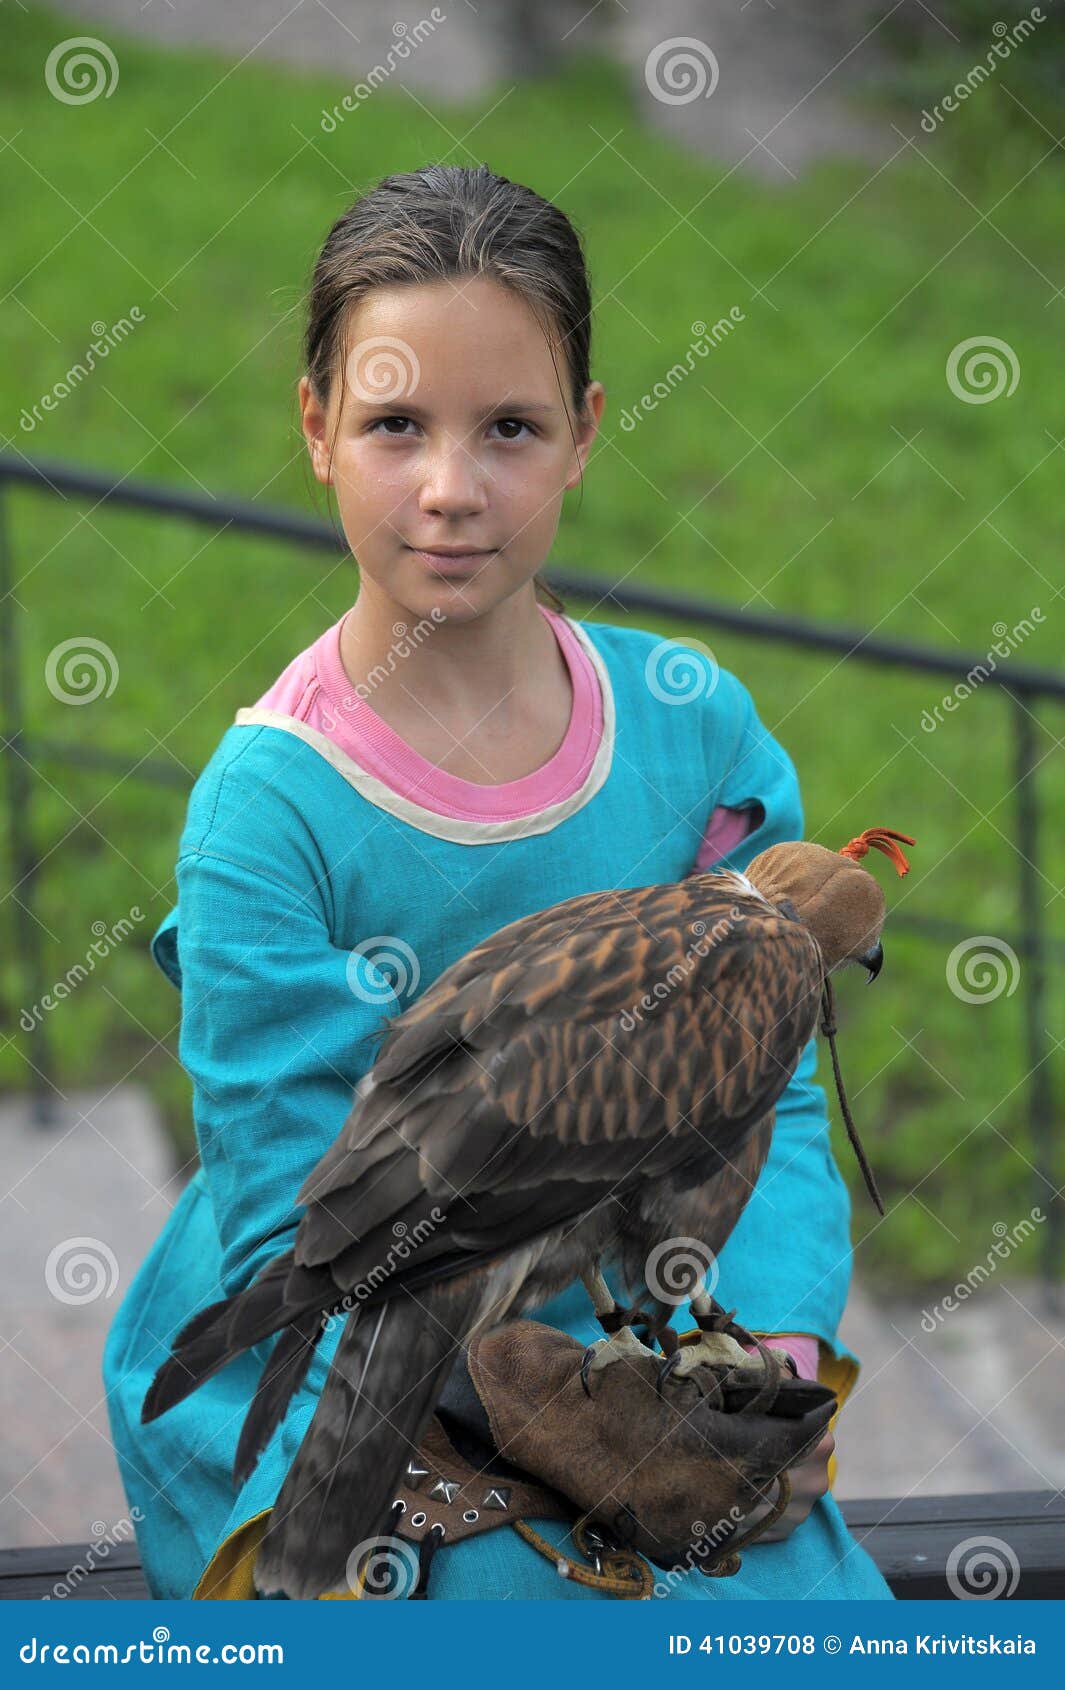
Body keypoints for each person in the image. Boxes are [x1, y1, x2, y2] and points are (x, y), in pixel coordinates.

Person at [103, 163, 891, 1602]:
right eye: (395, 425)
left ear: (583, 436)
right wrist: (524, 1405)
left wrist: (760, 1338)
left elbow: (765, 1085)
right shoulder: (265, 816)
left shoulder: (692, 729)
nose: (452, 488)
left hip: (645, 1305)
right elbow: (298, 1216)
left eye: (509, 428)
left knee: (803, 1614)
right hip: (346, 1324)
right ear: (314, 428)